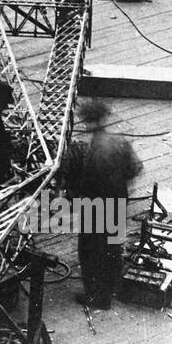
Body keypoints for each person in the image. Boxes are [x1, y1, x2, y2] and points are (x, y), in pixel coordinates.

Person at [61, 100, 144, 310]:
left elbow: (86, 184)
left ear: (86, 121)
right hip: (117, 202)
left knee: (90, 251)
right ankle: (116, 287)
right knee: (113, 248)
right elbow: (135, 168)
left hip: (96, 208)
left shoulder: (93, 150)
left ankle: (98, 297)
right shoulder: (119, 141)